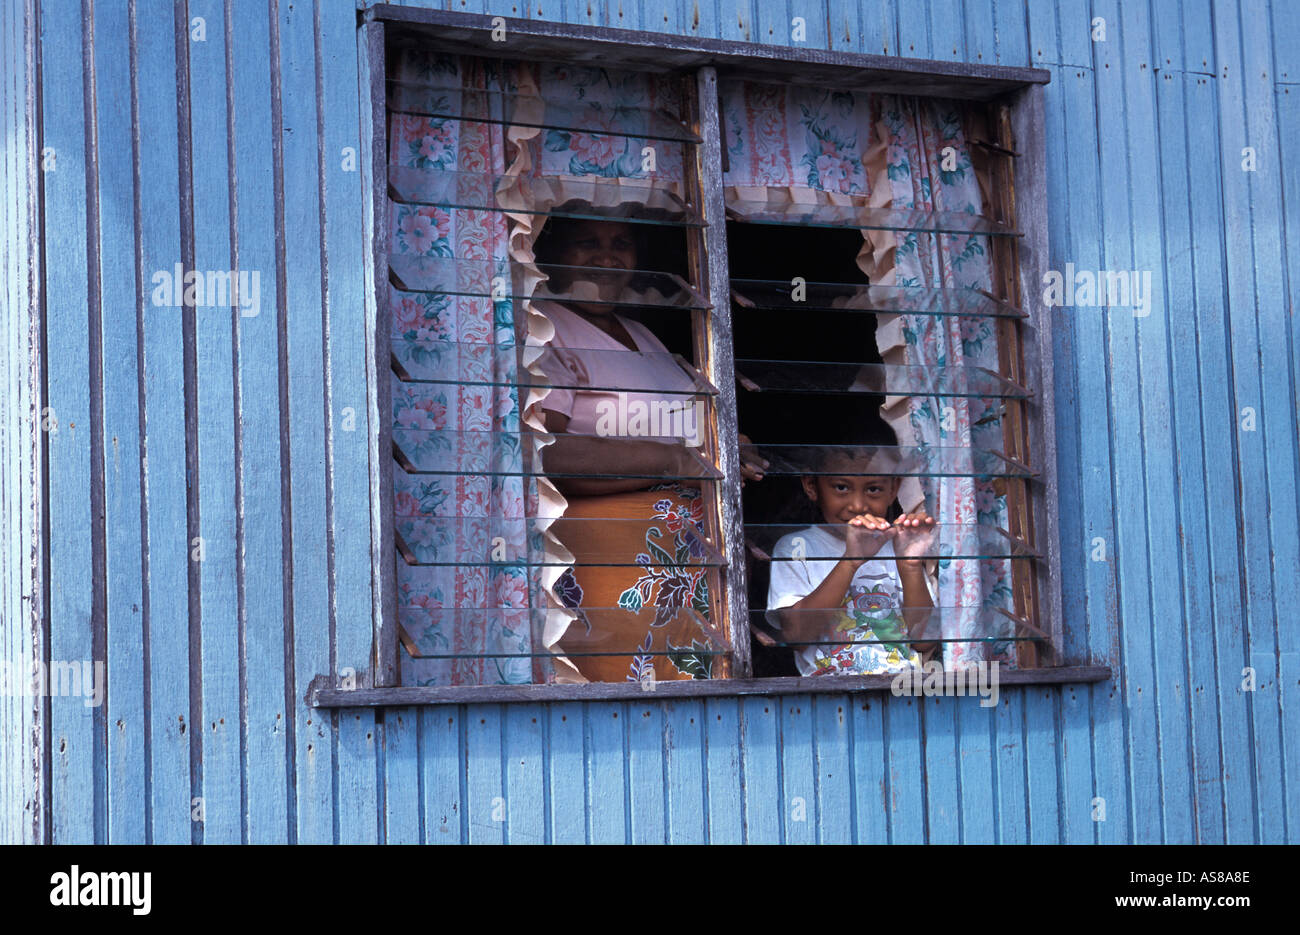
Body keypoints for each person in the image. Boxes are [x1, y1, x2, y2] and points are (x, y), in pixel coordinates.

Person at [529, 215, 766, 682]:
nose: (607, 255)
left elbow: (681, 430)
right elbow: (548, 454)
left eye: (621, 242)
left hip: (689, 581)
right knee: (625, 719)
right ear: (549, 254)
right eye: (586, 241)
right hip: (614, 580)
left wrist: (725, 445)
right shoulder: (545, 329)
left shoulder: (643, 336)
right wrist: (684, 460)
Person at [766, 444, 937, 676]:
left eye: (873, 489)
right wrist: (851, 560)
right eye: (842, 487)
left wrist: (910, 565)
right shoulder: (798, 548)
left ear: (893, 489)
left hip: (900, 691)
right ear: (811, 486)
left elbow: (924, 642)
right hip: (832, 695)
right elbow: (797, 635)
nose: (858, 505)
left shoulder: (898, 547)